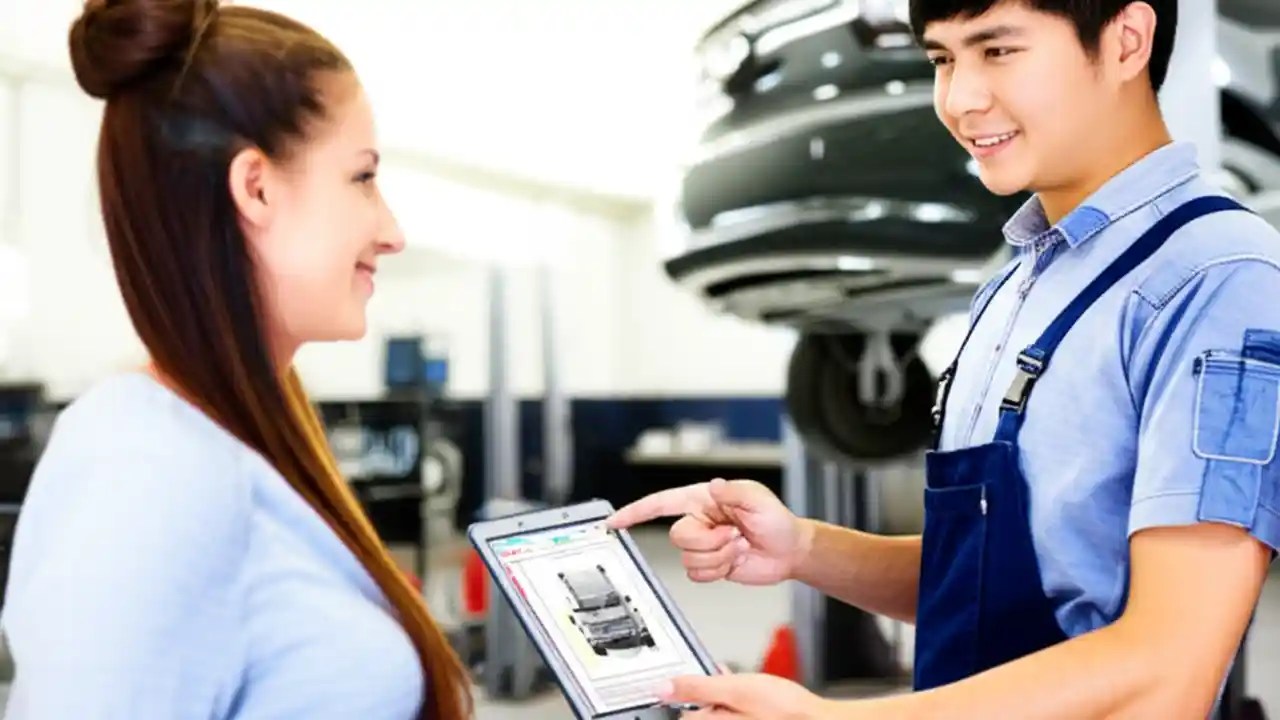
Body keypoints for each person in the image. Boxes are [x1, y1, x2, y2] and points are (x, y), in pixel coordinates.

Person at [610, 1, 1280, 717]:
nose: (959, 100)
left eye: (998, 51)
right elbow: (991, 581)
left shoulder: (1219, 279)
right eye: (942, 59)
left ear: (1126, 41)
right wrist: (802, 547)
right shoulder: (1016, 283)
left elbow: (1168, 670)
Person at [0, 1, 472, 718]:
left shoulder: (235, 440)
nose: (392, 230)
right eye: (362, 178)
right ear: (256, 187)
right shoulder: (144, 469)